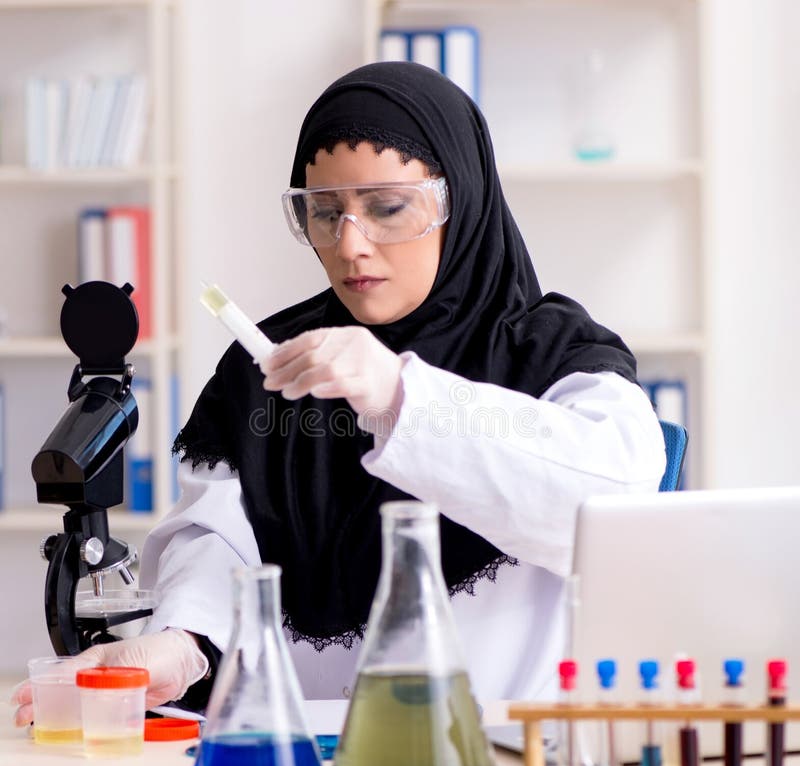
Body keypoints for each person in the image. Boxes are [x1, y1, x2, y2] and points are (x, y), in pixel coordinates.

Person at [13, 61, 665, 726]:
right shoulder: (270, 358)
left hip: (491, 748)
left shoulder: (552, 351)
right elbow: (219, 533)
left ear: (458, 199)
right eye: (324, 213)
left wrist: (398, 397)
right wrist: (183, 640)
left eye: (386, 209)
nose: (351, 244)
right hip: (300, 747)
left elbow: (612, 504)